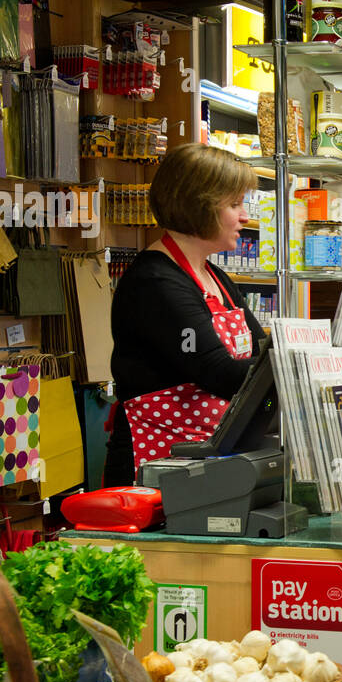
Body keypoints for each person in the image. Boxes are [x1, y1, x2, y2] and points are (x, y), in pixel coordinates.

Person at [103, 143, 263, 486]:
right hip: (159, 466)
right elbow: (221, 374)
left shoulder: (214, 275)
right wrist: (300, 361)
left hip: (204, 456)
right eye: (234, 205)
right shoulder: (155, 282)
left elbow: (261, 348)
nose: (245, 216)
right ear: (199, 204)